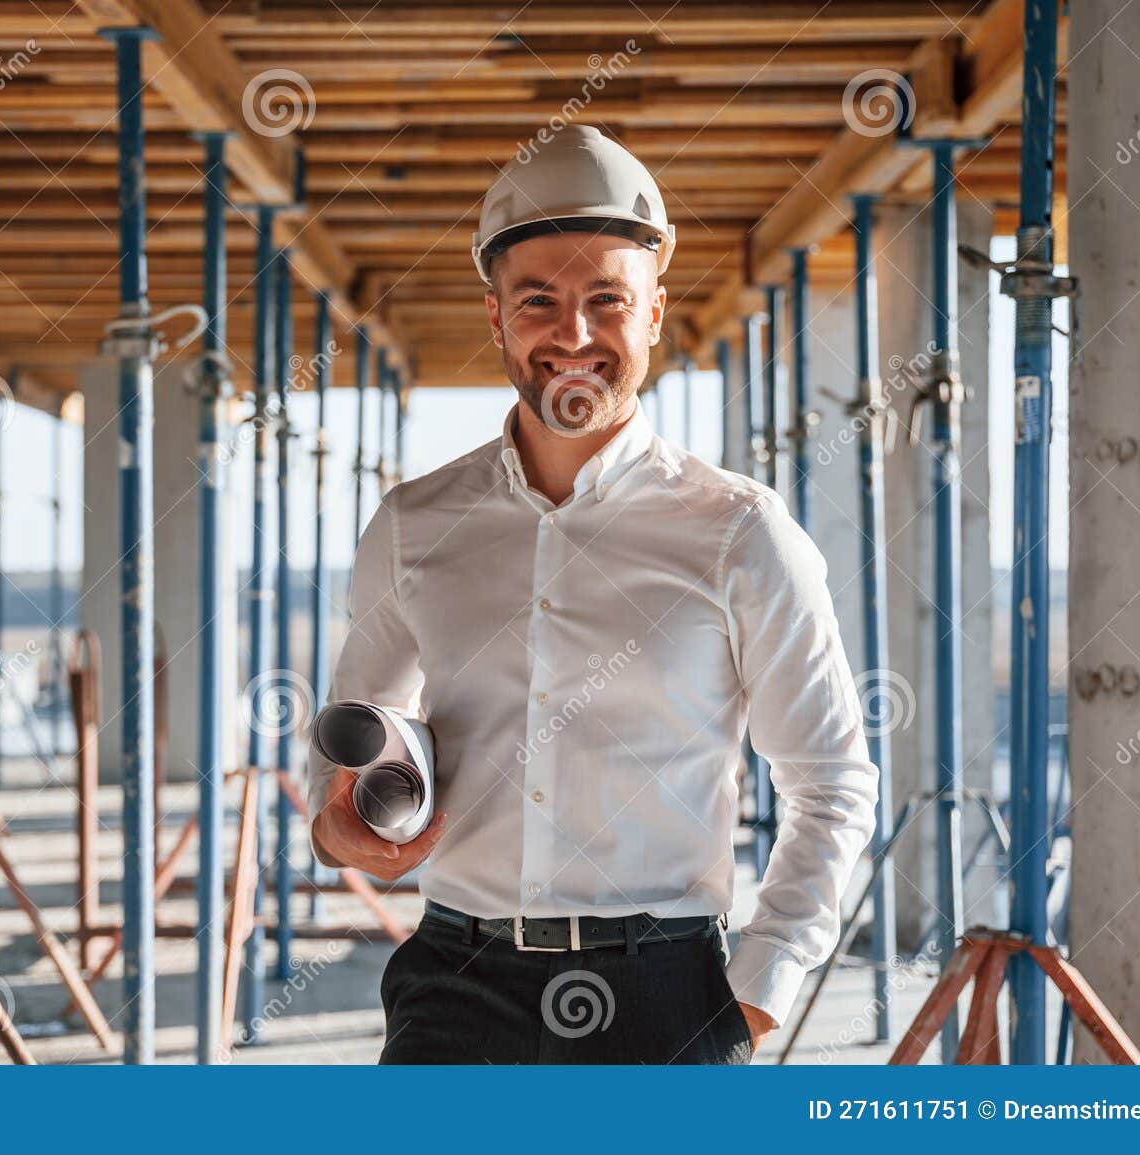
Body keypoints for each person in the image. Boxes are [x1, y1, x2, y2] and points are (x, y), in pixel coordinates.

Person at [308, 124, 878, 1065]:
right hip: (455, 986)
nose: (572, 334)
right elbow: (350, 743)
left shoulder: (742, 532)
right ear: (495, 317)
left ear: (655, 312)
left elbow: (832, 784)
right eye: (538, 300)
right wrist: (338, 832)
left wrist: (757, 999)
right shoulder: (413, 523)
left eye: (606, 299)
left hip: (666, 1000)